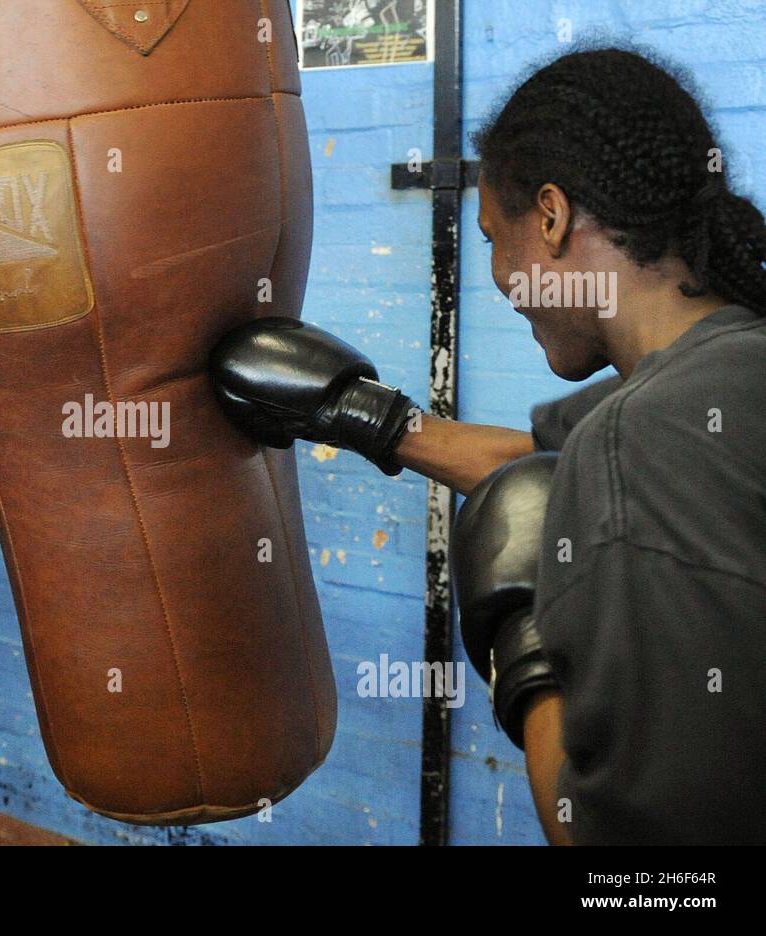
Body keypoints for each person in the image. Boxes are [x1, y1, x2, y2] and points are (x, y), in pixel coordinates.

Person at [211, 46, 766, 844]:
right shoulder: (719, 369)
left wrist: (526, 646)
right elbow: (540, 470)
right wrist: (361, 414)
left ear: (552, 216)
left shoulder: (638, 436)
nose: (503, 281)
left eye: (495, 241)